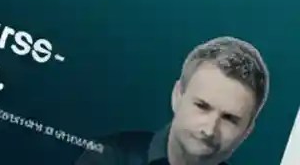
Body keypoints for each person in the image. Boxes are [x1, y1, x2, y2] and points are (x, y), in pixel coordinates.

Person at [76, 37, 270, 165]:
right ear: (177, 96)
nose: (209, 130)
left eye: (229, 118)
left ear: (247, 131)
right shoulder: (108, 156)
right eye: (202, 106)